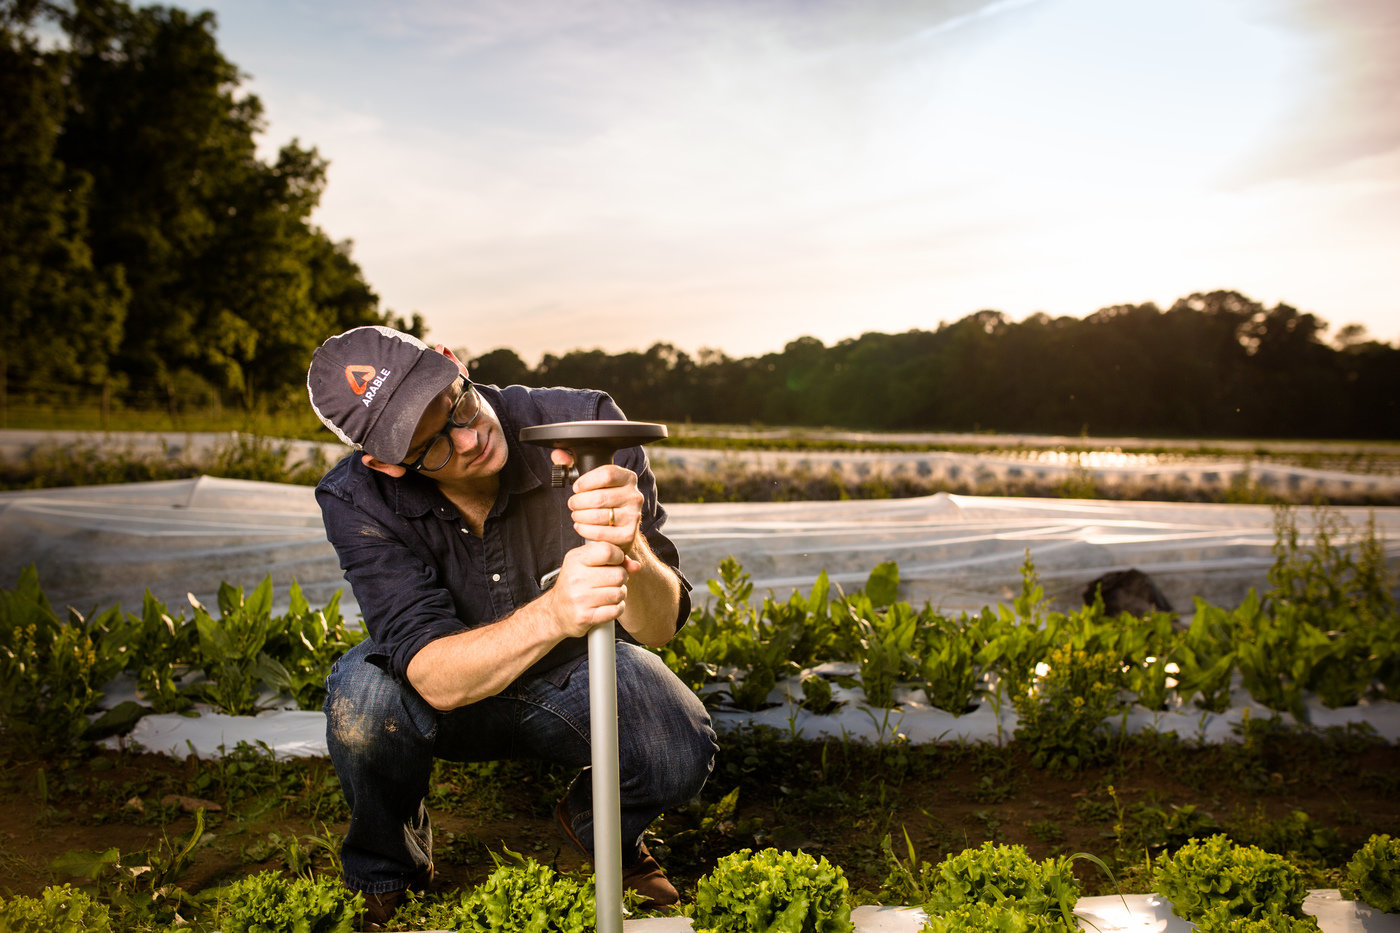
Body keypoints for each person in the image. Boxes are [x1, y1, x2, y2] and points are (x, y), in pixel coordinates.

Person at [305, 325, 716, 926]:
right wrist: (553, 611)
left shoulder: (586, 426)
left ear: (452, 361)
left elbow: (658, 628)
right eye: (433, 446)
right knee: (362, 699)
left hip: (575, 673)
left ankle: (602, 828)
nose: (469, 439)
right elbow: (433, 677)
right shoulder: (357, 499)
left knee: (678, 744)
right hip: (449, 692)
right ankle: (388, 865)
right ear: (387, 465)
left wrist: (630, 545)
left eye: (459, 405)